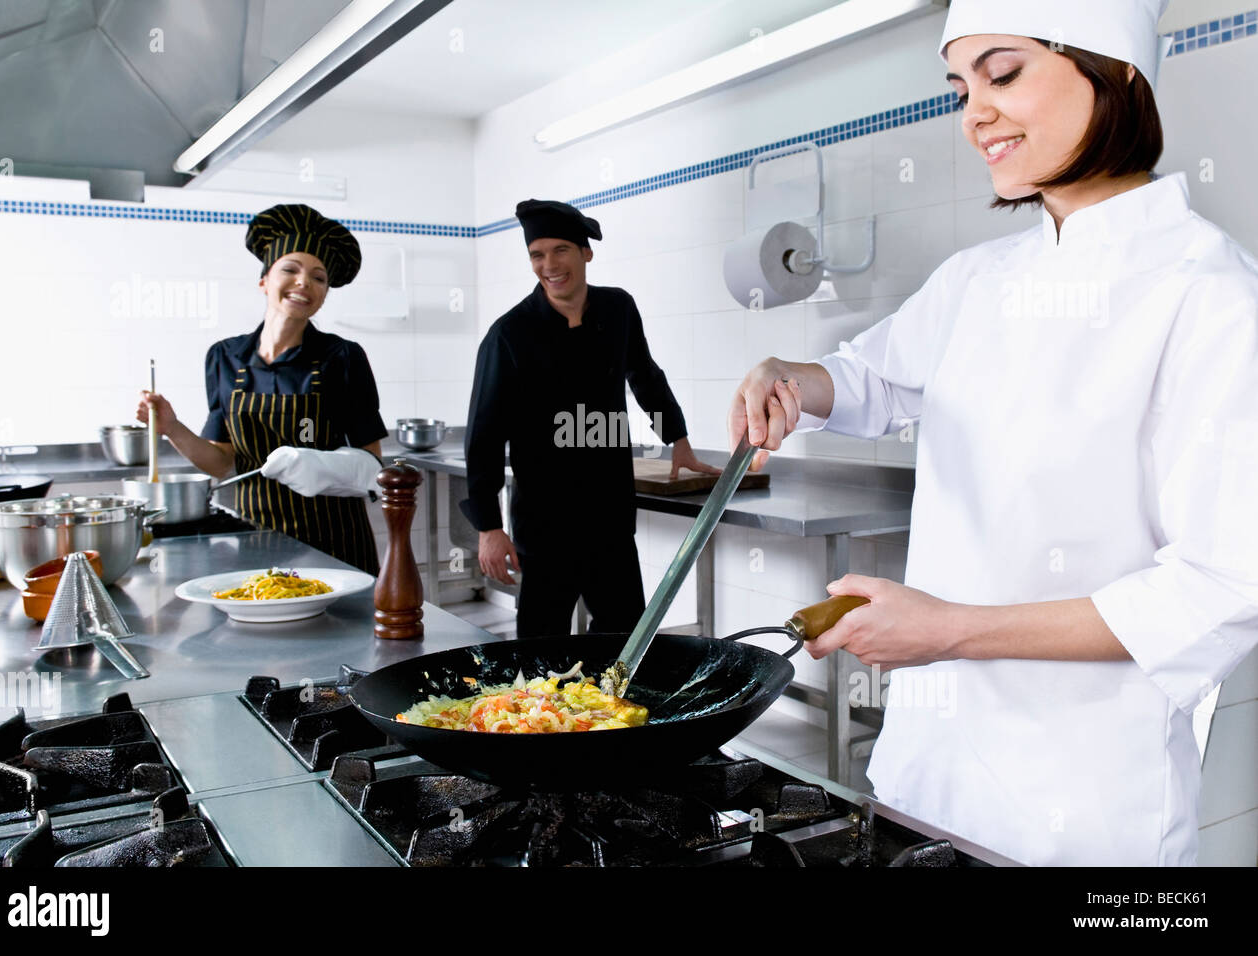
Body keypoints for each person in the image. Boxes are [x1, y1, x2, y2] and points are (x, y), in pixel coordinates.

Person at [730, 0, 1258, 866]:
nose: (974, 111)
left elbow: (1225, 582)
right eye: (959, 84)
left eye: (1003, 73)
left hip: (1083, 798)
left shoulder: (1211, 296)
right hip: (927, 767)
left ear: (1116, 74)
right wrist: (787, 376)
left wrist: (951, 630)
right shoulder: (978, 278)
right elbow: (871, 378)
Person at [463, 199, 718, 638]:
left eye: (560, 250)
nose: (549, 265)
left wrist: (678, 440)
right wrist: (489, 526)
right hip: (545, 523)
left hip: (610, 515)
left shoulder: (618, 310)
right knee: (542, 648)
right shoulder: (509, 335)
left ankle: (613, 709)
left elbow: (645, 377)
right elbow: (483, 437)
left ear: (586, 252)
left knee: (623, 640)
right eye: (537, 255)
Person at [137, 203, 386, 575]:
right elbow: (223, 463)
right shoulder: (224, 357)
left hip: (335, 543)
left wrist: (318, 464)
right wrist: (172, 427)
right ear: (264, 281)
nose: (305, 282)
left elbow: (373, 467)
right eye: (290, 269)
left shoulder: (342, 357)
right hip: (256, 540)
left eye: (319, 278)